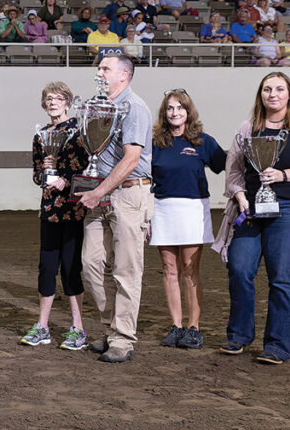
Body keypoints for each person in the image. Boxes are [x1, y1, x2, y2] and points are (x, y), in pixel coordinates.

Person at [214, 73, 290, 365]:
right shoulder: (247, 128)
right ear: (260, 94)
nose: (273, 94)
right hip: (251, 211)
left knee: (281, 278)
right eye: (267, 89)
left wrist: (284, 174)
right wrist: (240, 197)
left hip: (288, 210)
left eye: (279, 89)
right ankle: (239, 335)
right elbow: (234, 172)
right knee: (239, 269)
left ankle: (278, 344)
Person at [78, 55, 154, 363]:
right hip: (102, 194)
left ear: (123, 75)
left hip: (128, 194)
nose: (99, 73)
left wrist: (97, 191)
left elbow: (131, 159)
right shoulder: (99, 107)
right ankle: (112, 328)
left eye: (105, 69)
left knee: (125, 269)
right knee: (91, 263)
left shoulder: (134, 107)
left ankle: (123, 338)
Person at [151, 90, 226, 350]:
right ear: (165, 112)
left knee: (189, 268)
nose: (175, 113)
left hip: (193, 210)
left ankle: (194, 328)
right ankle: (176, 326)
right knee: (169, 270)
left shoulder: (203, 141)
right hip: (162, 209)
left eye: (180, 108)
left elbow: (228, 165)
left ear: (188, 112)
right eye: (170, 108)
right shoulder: (155, 143)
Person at [21, 82, 90, 351]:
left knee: (71, 270)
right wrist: (46, 172)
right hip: (49, 211)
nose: (52, 102)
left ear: (68, 103)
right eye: (48, 98)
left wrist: (66, 181)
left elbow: (89, 175)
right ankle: (43, 326)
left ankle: (78, 328)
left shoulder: (79, 133)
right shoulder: (40, 136)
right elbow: (37, 175)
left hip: (73, 210)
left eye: (58, 98)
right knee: (46, 269)